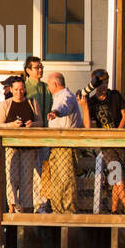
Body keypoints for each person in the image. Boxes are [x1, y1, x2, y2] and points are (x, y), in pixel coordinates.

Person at [80, 69, 125, 215]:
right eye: (101, 83)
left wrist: (118, 132)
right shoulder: (92, 102)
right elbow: (87, 126)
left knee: (121, 177)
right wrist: (84, 107)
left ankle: (114, 209)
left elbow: (124, 114)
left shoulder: (115, 95)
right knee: (116, 173)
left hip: (120, 142)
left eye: (106, 82)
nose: (104, 86)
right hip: (107, 145)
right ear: (94, 85)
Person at [41, 73, 82, 215]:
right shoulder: (57, 97)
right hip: (56, 145)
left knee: (66, 179)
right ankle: (57, 210)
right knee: (57, 180)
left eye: (49, 85)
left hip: (65, 145)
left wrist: (55, 112)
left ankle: (68, 211)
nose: (48, 88)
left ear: (55, 84)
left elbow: (64, 106)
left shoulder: (66, 96)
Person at [0, 76, 38, 212]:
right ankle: (12, 205)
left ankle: (26, 207)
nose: (19, 92)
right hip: (11, 146)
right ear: (11, 90)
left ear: (25, 89)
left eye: (21, 89)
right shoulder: (5, 104)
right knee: (11, 177)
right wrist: (12, 125)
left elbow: (41, 123)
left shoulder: (32, 102)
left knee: (27, 178)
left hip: (28, 146)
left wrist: (32, 124)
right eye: (16, 89)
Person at [22, 56, 53, 213]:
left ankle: (42, 204)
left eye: (41, 67)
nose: (40, 70)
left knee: (44, 171)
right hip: (29, 135)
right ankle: (28, 203)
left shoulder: (46, 87)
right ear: (28, 70)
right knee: (29, 170)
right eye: (36, 67)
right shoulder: (24, 88)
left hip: (45, 134)